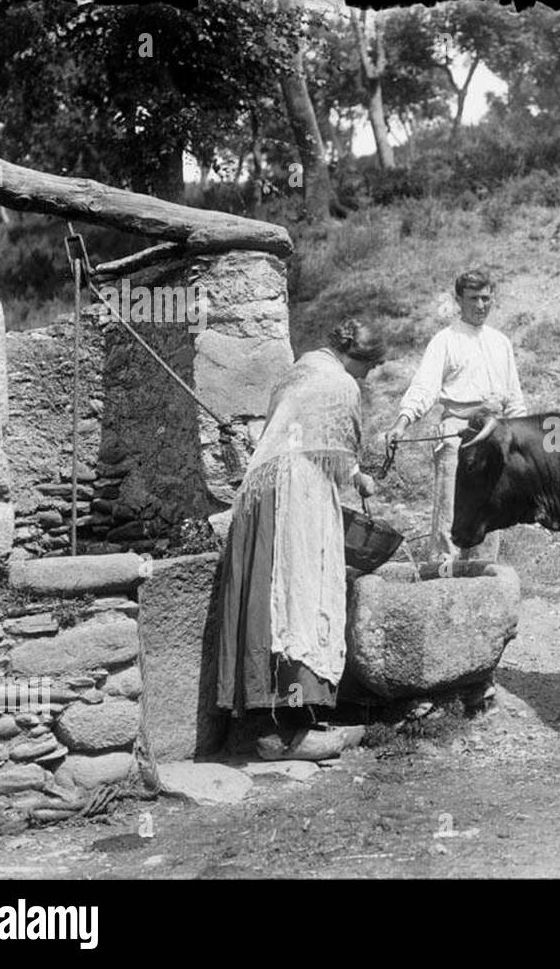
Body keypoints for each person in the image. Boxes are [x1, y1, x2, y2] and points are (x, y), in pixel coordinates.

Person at [216, 317, 384, 759]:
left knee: (267, 597)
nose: (368, 377)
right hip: (297, 491)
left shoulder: (300, 369)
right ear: (358, 357)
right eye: (370, 367)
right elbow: (337, 447)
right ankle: (300, 728)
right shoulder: (341, 384)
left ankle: (265, 727)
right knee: (302, 593)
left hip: (260, 488)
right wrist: (359, 478)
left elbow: (309, 435)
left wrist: (353, 474)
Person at [384, 270, 526, 563]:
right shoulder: (445, 340)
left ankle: (482, 573)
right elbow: (424, 386)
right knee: (452, 504)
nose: (480, 305)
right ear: (459, 299)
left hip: (495, 430)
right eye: (473, 298)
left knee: (491, 505)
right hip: (458, 429)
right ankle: (444, 572)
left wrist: (520, 433)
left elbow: (513, 394)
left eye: (486, 298)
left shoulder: (501, 342)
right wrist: (403, 421)